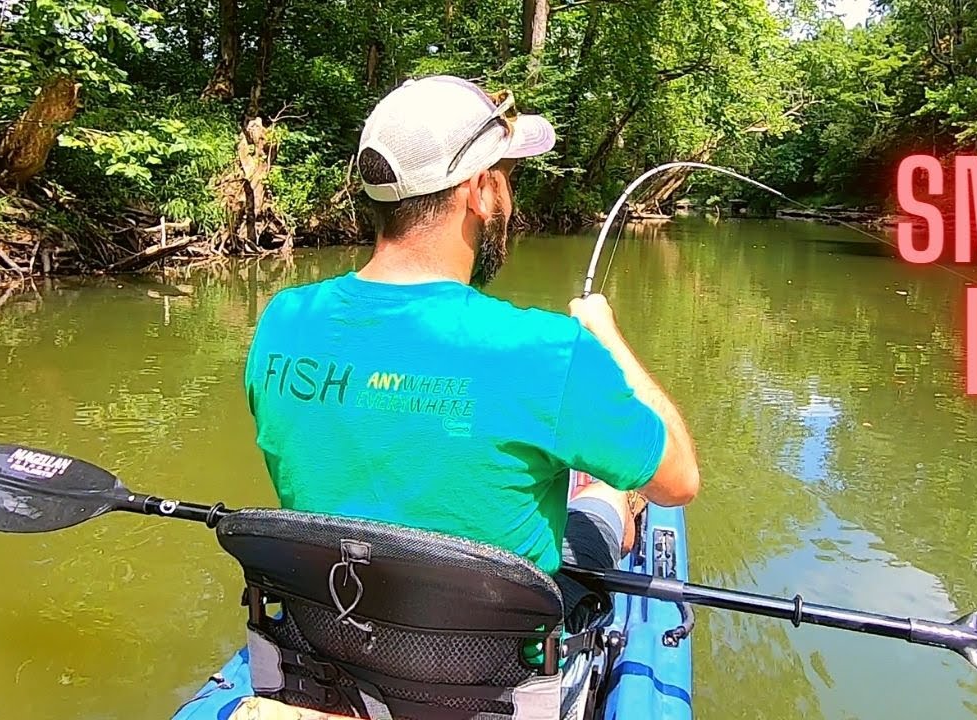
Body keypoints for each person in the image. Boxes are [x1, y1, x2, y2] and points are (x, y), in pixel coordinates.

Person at [242, 75, 700, 628]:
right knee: (606, 494)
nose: (510, 194)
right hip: (495, 682)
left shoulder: (283, 321)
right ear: (482, 191)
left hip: (336, 644)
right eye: (508, 177)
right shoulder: (551, 351)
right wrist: (607, 338)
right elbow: (680, 482)